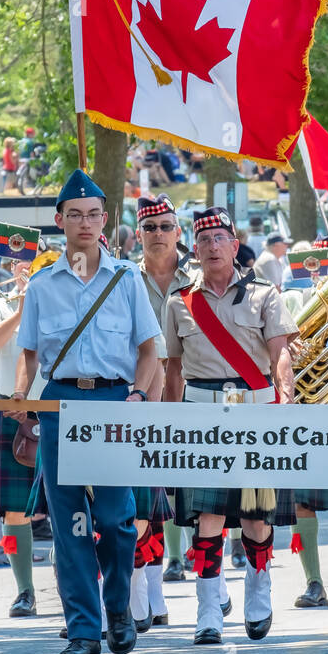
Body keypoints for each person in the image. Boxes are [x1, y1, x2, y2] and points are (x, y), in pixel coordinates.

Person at [8, 168, 160, 654]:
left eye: (94, 214)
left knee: (117, 522)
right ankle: (83, 632)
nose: (85, 223)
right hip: (60, 405)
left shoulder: (127, 278)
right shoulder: (43, 285)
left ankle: (118, 606)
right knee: (70, 523)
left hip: (115, 403)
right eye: (75, 215)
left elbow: (148, 350)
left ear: (106, 220)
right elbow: (28, 354)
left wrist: (138, 395)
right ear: (59, 221)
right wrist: (20, 397)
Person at [165, 206, 297, 645]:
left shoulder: (264, 294)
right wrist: (169, 421)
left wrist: (285, 398)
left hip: (256, 411)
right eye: (204, 240)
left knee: (258, 515)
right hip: (202, 414)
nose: (212, 246)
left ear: (235, 245)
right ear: (196, 249)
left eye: (220, 238)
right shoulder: (179, 302)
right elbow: (172, 369)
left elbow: (281, 352)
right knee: (209, 516)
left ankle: (259, 594)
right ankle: (207, 611)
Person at [0, 249, 52, 616]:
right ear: (11, 267)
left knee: (77, 504)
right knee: (12, 512)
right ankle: (24, 590)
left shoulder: (64, 297)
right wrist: (22, 311)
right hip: (12, 408)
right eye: (24, 263)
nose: (30, 268)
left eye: (38, 262)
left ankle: (75, 584)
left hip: (59, 408)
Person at [135, 195, 193, 586]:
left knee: (190, 477)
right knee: (153, 476)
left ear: (178, 231)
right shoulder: (122, 277)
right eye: (150, 227)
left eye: (166, 226)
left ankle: (195, 556)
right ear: (138, 233)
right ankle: (166, 559)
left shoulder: (200, 277)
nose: (158, 233)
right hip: (139, 388)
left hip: (193, 386)